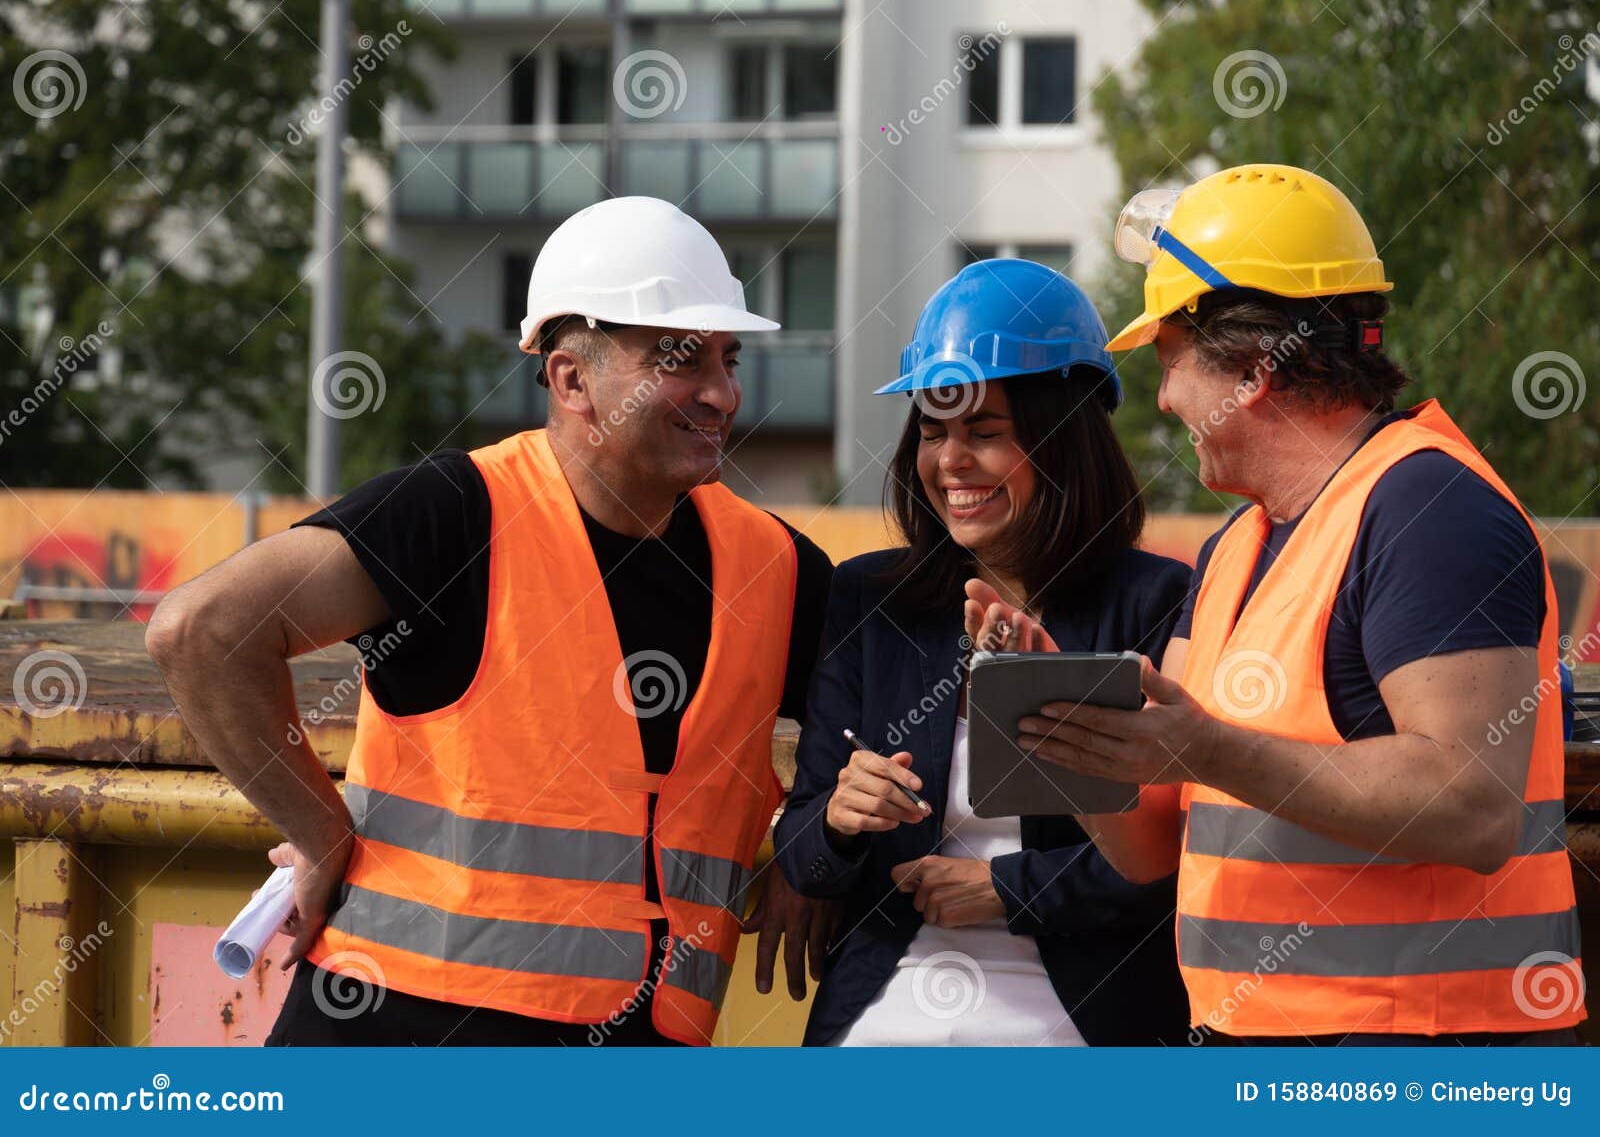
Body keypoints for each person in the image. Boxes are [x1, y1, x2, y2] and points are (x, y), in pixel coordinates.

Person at [146, 196, 838, 1046]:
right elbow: (202, 632)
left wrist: (813, 843)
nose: (723, 394)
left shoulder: (775, 566)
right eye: (680, 360)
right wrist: (320, 833)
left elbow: (885, 712)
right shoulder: (456, 516)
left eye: (728, 361)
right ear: (571, 378)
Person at [993, 163, 1586, 1044]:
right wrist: (1066, 734)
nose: (1160, 400)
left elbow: (1473, 804)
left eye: (1168, 360)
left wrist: (1206, 745)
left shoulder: (1431, 509)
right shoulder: (1237, 545)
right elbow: (1154, 847)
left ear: (1252, 367)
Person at [775, 260, 1192, 1046]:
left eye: (986, 433)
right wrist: (836, 818)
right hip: (880, 1018)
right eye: (933, 431)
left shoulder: (1159, 602)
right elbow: (803, 854)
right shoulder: (870, 599)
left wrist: (1006, 888)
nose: (950, 461)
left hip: (1082, 1026)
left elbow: (1172, 868)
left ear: (1063, 439)